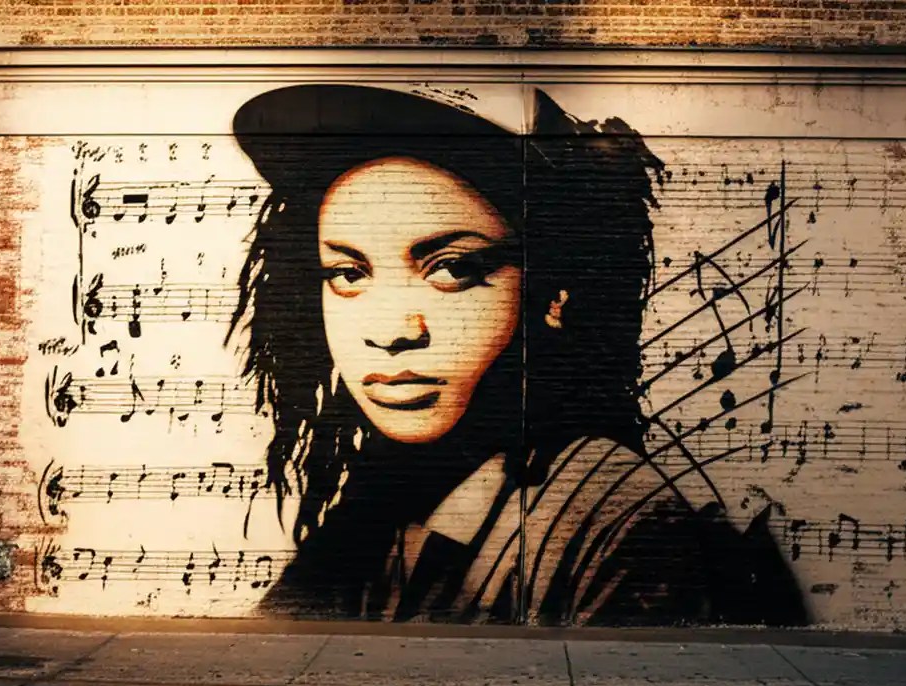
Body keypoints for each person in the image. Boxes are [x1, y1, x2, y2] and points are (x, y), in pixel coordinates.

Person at [228, 84, 807, 626]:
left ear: (551, 295)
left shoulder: (617, 520)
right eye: (349, 274)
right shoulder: (374, 508)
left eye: (452, 269)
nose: (390, 330)